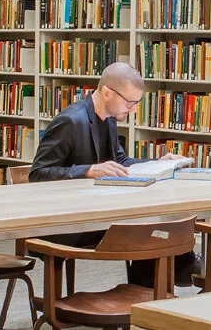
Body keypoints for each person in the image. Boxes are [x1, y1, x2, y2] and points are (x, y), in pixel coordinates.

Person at [29, 62, 198, 286]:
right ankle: (173, 276)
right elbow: (38, 174)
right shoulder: (70, 122)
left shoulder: (108, 118)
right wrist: (88, 170)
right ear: (107, 93)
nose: (133, 110)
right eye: (130, 103)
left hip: (96, 212)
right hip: (65, 222)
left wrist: (158, 162)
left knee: (153, 220)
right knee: (145, 227)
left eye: (136, 103)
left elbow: (120, 162)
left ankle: (162, 281)